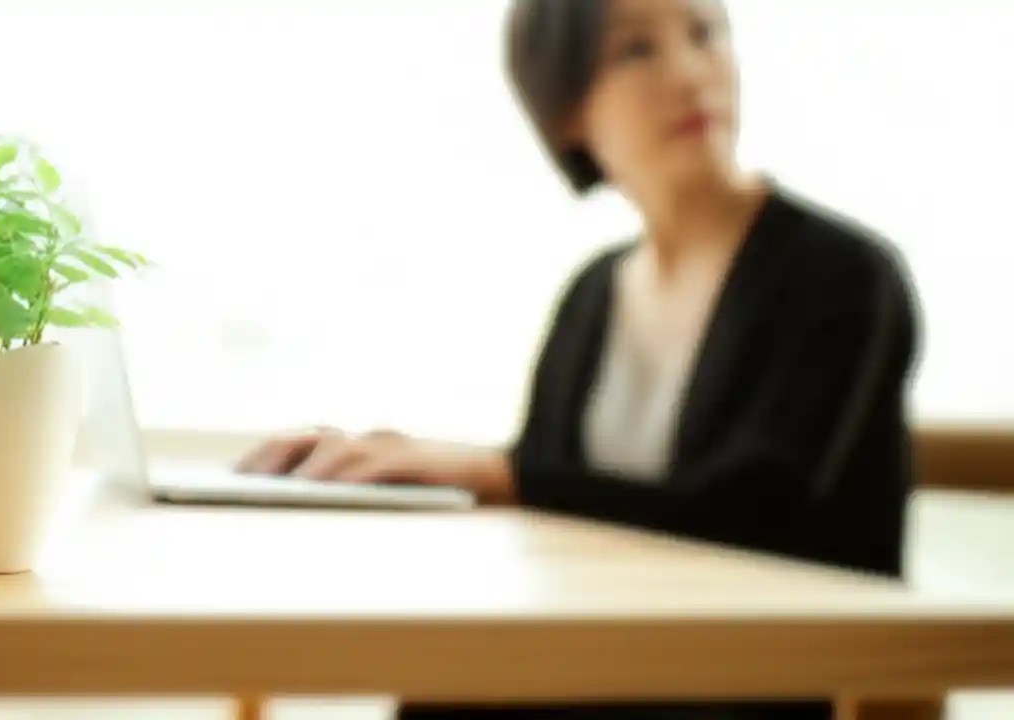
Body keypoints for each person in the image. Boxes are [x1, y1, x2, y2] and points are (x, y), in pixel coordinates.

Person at [237, 0, 920, 717]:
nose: (692, 73)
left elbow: (755, 516)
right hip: (605, 663)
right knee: (440, 687)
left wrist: (490, 471)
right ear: (564, 109)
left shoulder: (844, 276)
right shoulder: (592, 295)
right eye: (636, 51)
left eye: (704, 32)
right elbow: (545, 518)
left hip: (747, 686)